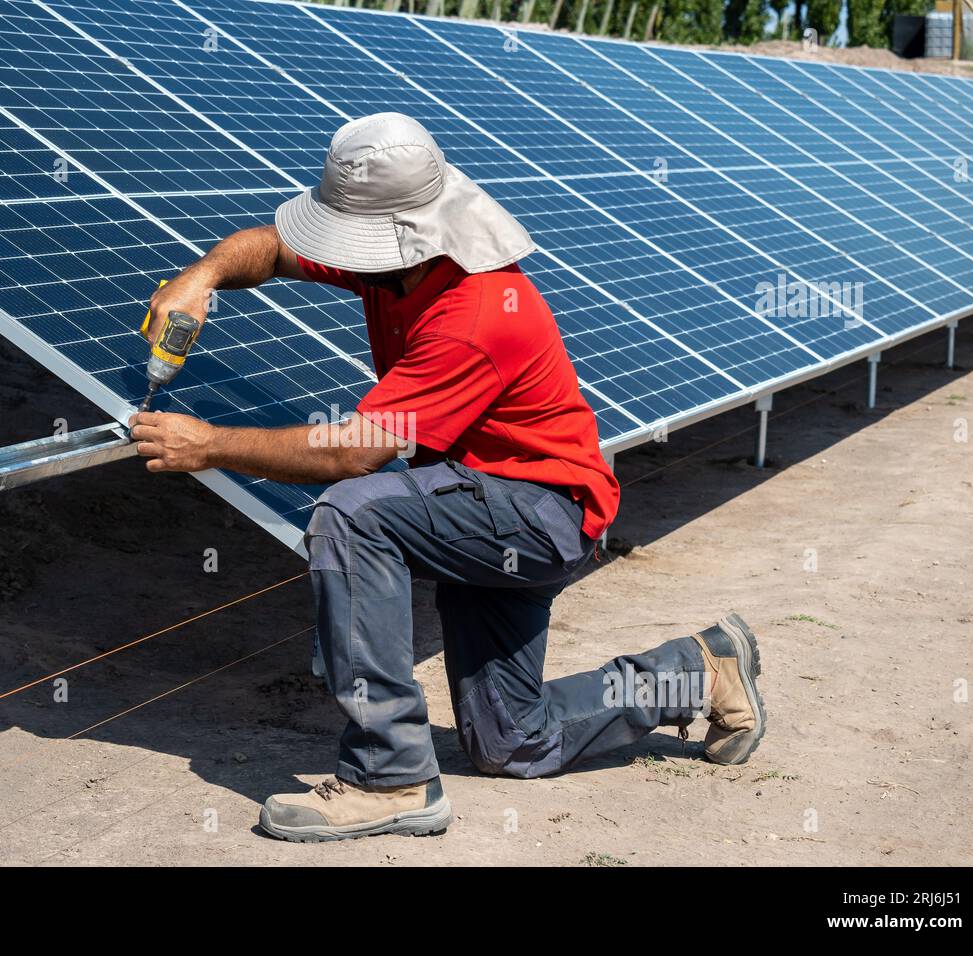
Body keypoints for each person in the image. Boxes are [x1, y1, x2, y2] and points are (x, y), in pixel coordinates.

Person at [130, 113, 765, 843]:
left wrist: (211, 444)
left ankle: (388, 775)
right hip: (475, 503)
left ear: (402, 232)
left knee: (353, 513)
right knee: (513, 741)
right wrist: (203, 274)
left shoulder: (475, 314)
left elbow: (352, 453)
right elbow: (273, 249)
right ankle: (699, 670)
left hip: (539, 513)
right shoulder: (399, 260)